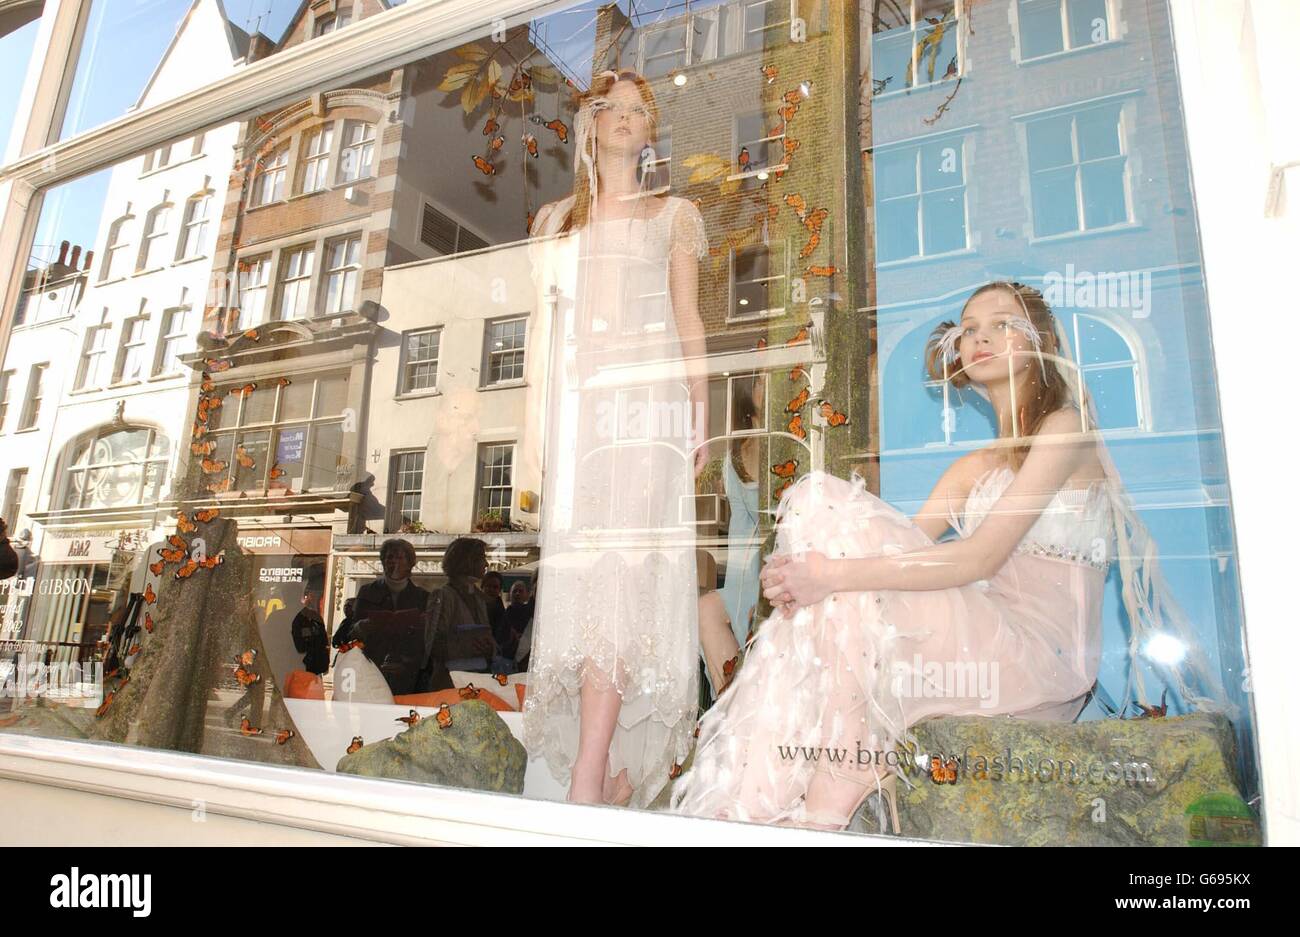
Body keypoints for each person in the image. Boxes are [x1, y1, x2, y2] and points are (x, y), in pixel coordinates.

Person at [670, 281, 1222, 831]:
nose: (980, 338)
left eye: (1002, 324)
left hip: (1038, 663)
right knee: (824, 512)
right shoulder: (975, 469)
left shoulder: (1066, 430)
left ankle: (833, 774)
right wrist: (806, 577)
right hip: (983, 642)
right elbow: (889, 552)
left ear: (1042, 339)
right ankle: (771, 797)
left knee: (830, 529)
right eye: (969, 330)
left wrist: (826, 574)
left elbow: (978, 559)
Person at [522, 68, 710, 808]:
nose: (627, 117)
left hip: (645, 409)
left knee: (623, 578)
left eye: (640, 108)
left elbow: (690, 320)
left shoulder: (674, 215)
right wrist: (534, 429)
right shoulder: (553, 223)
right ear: (589, 123)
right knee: (582, 578)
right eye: (612, 106)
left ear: (651, 129)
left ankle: (588, 775)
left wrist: (699, 411)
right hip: (579, 414)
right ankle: (614, 772)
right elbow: (543, 332)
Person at [426, 537, 497, 676]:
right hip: (451, 681)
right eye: (482, 558)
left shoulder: (478, 598)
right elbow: (433, 644)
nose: (486, 563)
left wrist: (490, 649)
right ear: (468, 561)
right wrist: (471, 648)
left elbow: (488, 639)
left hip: (478, 677)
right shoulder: (443, 595)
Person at [291, 590, 329, 676]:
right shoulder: (298, 620)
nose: (311, 599)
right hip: (304, 667)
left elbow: (324, 640)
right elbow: (300, 647)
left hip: (319, 667)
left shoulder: (316, 617)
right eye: (308, 596)